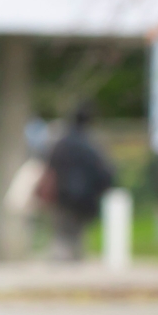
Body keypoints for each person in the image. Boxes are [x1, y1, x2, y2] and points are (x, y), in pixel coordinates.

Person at [46, 102, 115, 260]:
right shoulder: (92, 144)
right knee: (77, 232)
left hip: (62, 194)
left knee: (63, 232)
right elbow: (104, 171)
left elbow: (50, 166)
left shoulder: (61, 142)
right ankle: (74, 261)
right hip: (85, 195)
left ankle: (63, 261)